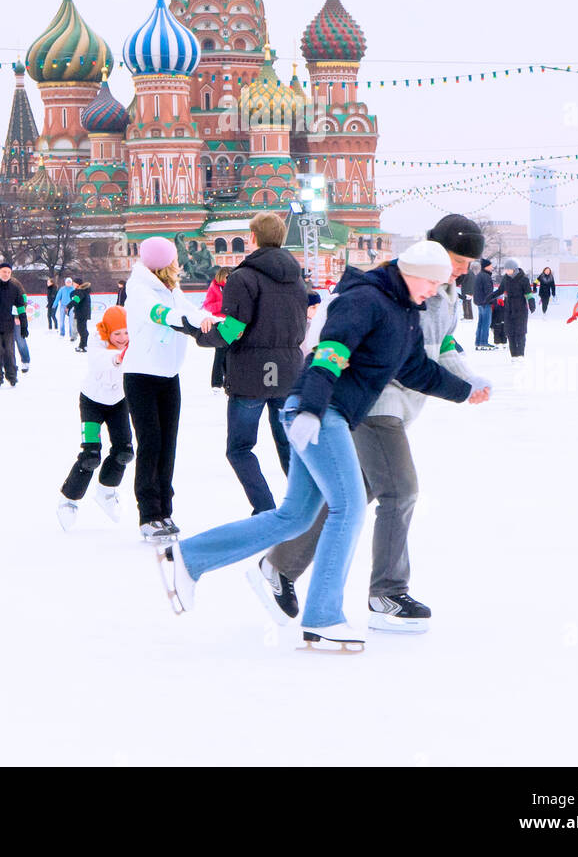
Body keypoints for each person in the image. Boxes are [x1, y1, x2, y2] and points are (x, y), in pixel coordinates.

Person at [159, 240, 487, 651]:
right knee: (347, 507)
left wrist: (464, 390)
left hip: (323, 413)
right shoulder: (365, 299)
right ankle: (324, 616)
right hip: (320, 411)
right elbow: (329, 352)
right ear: (413, 272)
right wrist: (311, 410)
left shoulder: (403, 313)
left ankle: (187, 558)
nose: (434, 292)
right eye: (432, 283)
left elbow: (415, 368)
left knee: (294, 517)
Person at [254, 214, 492, 633]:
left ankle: (279, 566)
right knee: (400, 490)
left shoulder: (446, 292)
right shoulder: (407, 285)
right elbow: (398, 358)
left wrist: (467, 379)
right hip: (376, 403)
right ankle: (387, 593)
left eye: (467, 263)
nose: (461, 269)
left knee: (352, 495)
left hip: (399, 405)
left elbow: (445, 343)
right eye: (458, 259)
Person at [210, 212, 308, 514]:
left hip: (251, 375)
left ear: (253, 238)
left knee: (239, 448)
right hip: (289, 372)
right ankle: (304, 506)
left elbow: (233, 330)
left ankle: (265, 509)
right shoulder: (297, 278)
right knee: (288, 445)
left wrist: (200, 334)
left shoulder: (243, 277)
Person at [121, 237, 217, 541]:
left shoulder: (171, 289)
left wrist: (208, 318)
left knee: (168, 444)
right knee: (150, 443)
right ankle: (149, 515)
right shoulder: (137, 289)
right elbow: (157, 314)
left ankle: (165, 511)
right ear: (163, 263)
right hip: (141, 376)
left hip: (168, 374)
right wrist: (185, 322)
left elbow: (189, 308)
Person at [57, 306, 135, 530]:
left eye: (126, 333)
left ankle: (107, 491)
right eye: (117, 334)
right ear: (107, 332)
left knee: (125, 452)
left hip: (119, 403)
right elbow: (100, 360)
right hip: (92, 402)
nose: (122, 338)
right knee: (91, 455)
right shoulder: (95, 341)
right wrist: (118, 357)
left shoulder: (134, 345)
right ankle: (68, 501)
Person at [489, 260, 534, 360]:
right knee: (510, 332)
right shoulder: (506, 279)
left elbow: (528, 294)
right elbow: (500, 291)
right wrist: (489, 297)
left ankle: (520, 354)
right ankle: (513, 355)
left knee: (520, 332)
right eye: (506, 270)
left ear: (514, 269)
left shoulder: (523, 279)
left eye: (508, 270)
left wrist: (531, 303)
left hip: (520, 309)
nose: (507, 271)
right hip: (508, 309)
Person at [201, 267, 228, 391]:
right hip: (218, 323)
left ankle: (228, 381)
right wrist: (223, 305)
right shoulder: (215, 287)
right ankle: (216, 383)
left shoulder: (235, 286)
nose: (228, 280)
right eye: (226, 277)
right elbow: (207, 305)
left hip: (232, 323)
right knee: (220, 352)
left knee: (230, 353)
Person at [472, 258, 497, 351]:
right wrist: (493, 300)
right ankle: (483, 342)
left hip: (480, 302)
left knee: (481, 322)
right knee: (486, 323)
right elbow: (488, 292)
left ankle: (478, 342)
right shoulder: (486, 276)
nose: (492, 267)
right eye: (490, 265)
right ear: (486, 266)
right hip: (485, 302)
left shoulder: (479, 275)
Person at [70, 280, 92, 352]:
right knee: (81, 329)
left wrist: (68, 306)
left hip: (82, 313)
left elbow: (75, 300)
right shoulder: (81, 291)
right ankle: (82, 345)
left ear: (78, 284)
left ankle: (84, 345)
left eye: (74, 283)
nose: (73, 284)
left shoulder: (81, 292)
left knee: (81, 330)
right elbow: (73, 296)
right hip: (82, 313)